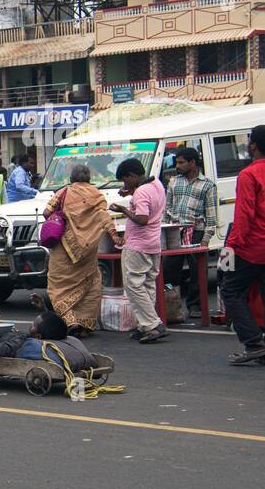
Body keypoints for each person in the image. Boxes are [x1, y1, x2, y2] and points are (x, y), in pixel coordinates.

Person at [220, 124, 265, 365]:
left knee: (230, 291)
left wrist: (231, 247)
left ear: (252, 145)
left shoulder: (249, 174)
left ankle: (254, 342)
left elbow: (244, 217)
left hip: (253, 246)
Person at [40, 164, 120, 337]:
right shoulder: (97, 194)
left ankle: (70, 321)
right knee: (91, 284)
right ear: (89, 178)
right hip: (88, 250)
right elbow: (103, 216)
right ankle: (85, 325)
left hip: (63, 248)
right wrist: (114, 235)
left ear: (71, 178)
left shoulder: (63, 192)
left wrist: (64, 217)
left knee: (57, 287)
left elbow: (47, 212)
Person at [0, 295, 97, 370]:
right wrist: (44, 310)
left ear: (38, 337)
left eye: (33, 326)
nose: (30, 326)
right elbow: (55, 328)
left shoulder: (17, 345)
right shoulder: (37, 336)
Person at [110, 157, 167, 344]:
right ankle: (144, 325)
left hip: (138, 245)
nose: (125, 184)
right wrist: (130, 194)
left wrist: (123, 209)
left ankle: (152, 324)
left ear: (132, 175)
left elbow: (142, 219)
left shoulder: (141, 192)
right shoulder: (156, 184)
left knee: (134, 286)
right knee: (147, 284)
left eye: (126, 180)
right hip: (153, 243)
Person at [162, 146, 218, 318]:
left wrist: (205, 240)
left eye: (181, 162)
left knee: (197, 273)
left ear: (192, 163)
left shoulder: (207, 185)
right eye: (177, 162)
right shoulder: (173, 182)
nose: (177, 166)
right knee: (170, 272)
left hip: (196, 232)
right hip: (174, 232)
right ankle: (171, 306)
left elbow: (211, 216)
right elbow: (167, 209)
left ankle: (195, 307)